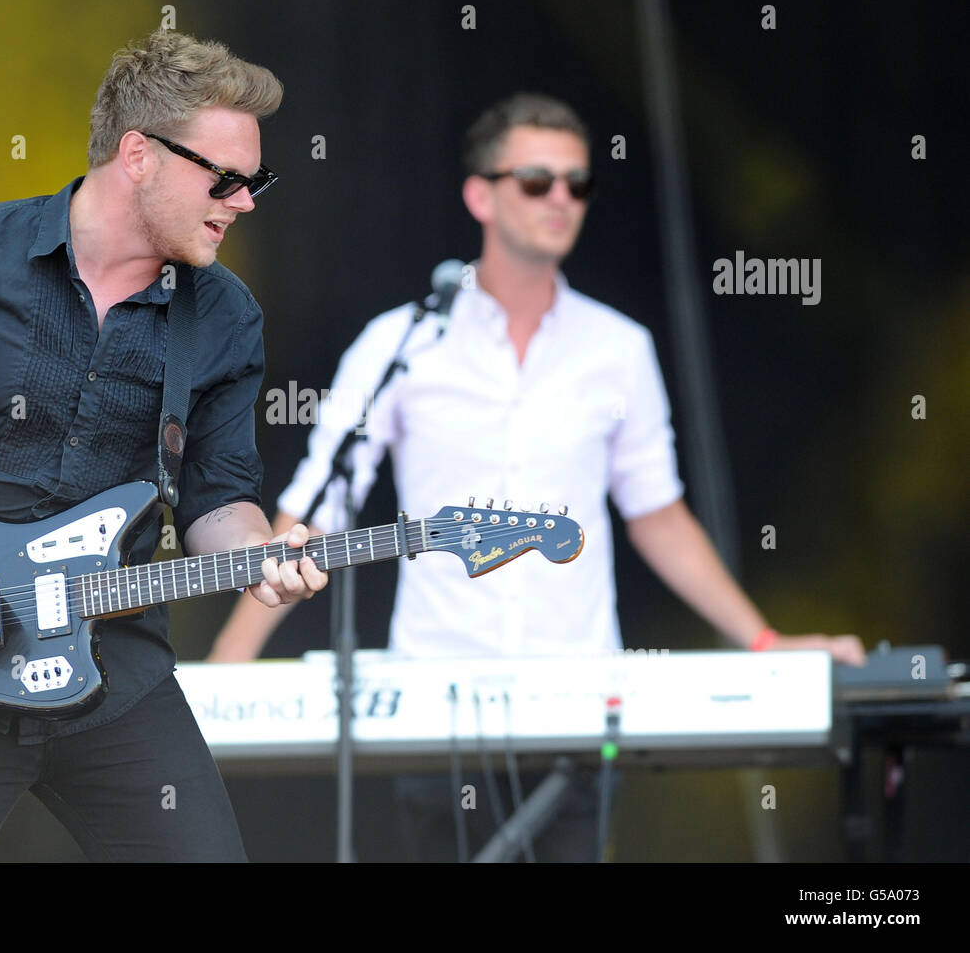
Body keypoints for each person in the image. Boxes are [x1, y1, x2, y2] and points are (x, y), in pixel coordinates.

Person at [208, 92, 865, 859]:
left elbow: (657, 514)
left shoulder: (619, 348)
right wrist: (227, 676)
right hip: (433, 704)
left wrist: (760, 641)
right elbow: (319, 510)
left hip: (580, 704)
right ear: (480, 194)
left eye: (577, 183)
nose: (560, 199)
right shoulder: (402, 342)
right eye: (536, 180)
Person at [0, 31, 327, 863]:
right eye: (226, 178)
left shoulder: (225, 318)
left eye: (258, 180)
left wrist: (262, 555)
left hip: (113, 670)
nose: (246, 200)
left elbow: (218, 500)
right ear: (139, 154)